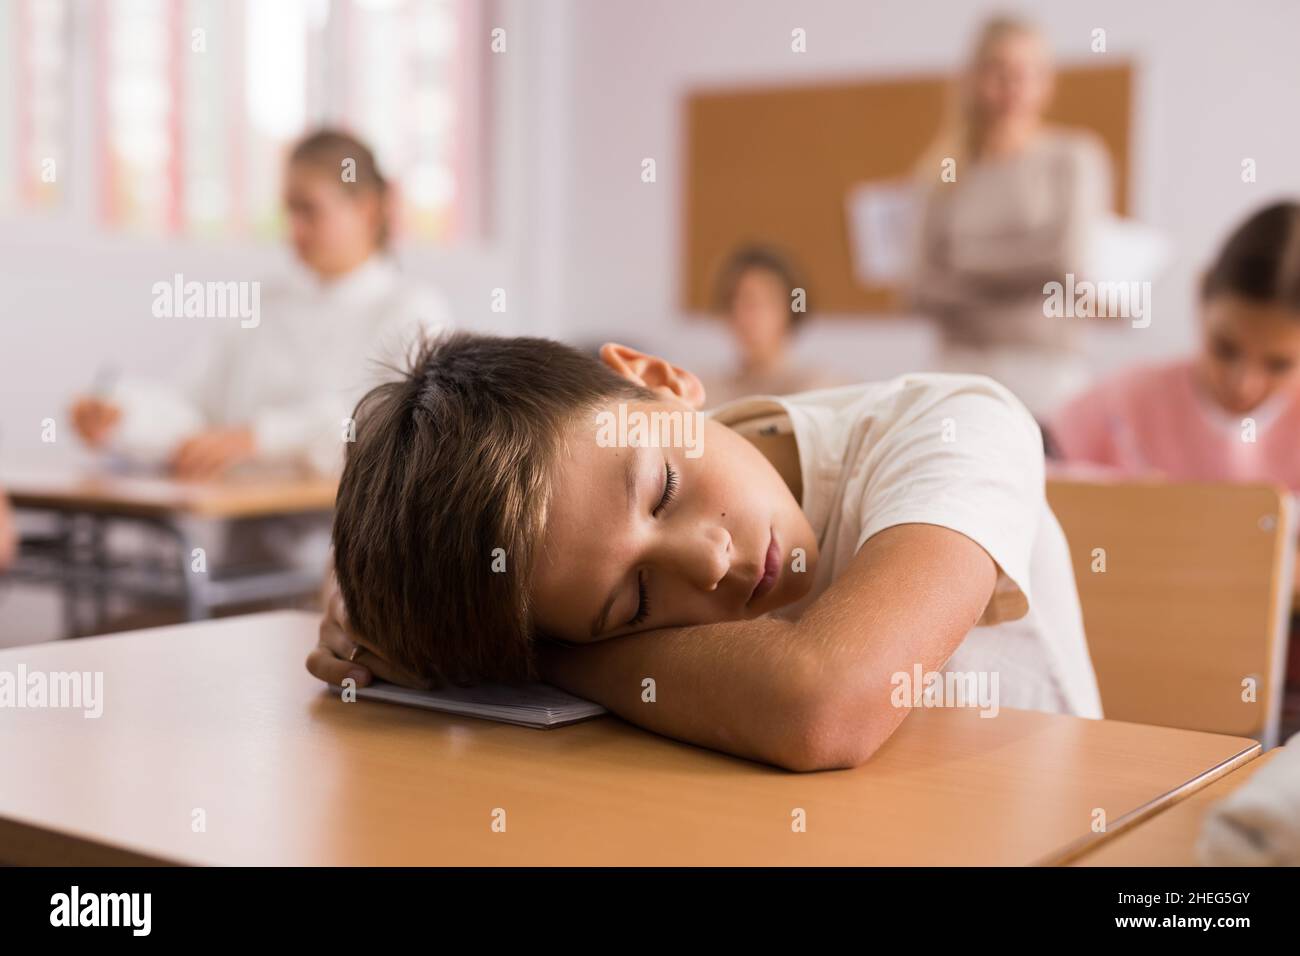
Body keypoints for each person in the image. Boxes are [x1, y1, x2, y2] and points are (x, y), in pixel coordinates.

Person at [306, 331, 1102, 772]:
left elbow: (822, 704)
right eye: (633, 603)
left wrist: (519, 659)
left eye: (663, 489)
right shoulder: (570, 550)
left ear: (659, 378)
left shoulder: (955, 423)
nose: (710, 562)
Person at [70, 128, 449, 480]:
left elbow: (381, 432)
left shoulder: (413, 311)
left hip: (341, 542)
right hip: (239, 538)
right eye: (289, 211)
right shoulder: (265, 303)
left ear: (367, 209)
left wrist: (260, 438)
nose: (295, 230)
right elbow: (194, 407)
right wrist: (121, 416)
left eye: (309, 210)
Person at [908, 16, 1111, 420]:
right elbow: (919, 288)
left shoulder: (1073, 158)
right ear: (973, 77)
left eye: (1027, 72)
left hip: (1047, 371)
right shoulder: (942, 171)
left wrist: (965, 261)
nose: (1012, 84)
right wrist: (1026, 276)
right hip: (959, 367)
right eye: (998, 70)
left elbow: (1064, 261)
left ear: (1047, 82)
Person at [1052, 201, 1300, 485]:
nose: (1244, 383)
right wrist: (1117, 493)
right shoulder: (1127, 398)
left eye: (1279, 365)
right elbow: (1032, 466)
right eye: (1225, 349)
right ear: (1201, 295)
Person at [702, 246, 843, 407]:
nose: (744, 316)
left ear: (791, 309)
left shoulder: (821, 390)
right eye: (735, 302)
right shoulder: (706, 392)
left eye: (757, 303)